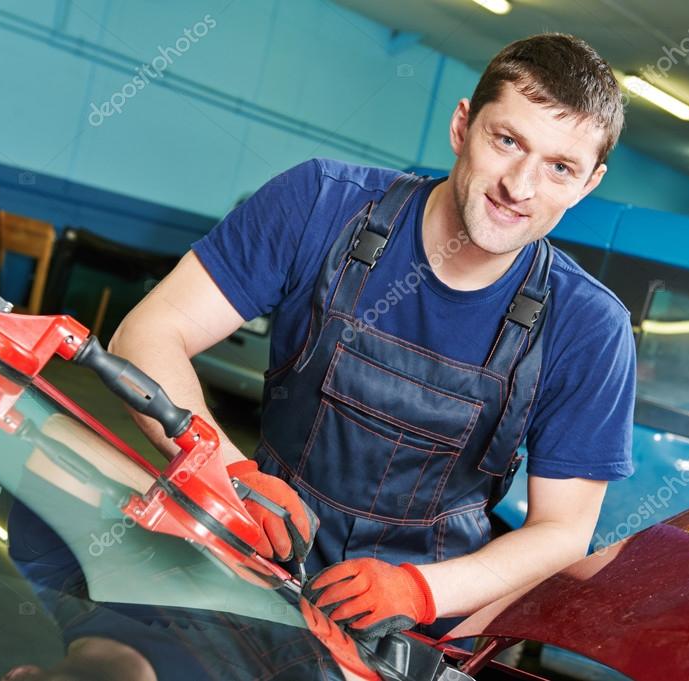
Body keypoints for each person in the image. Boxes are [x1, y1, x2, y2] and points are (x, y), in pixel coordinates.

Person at [110, 33, 636, 639]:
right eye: (507, 140)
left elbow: (563, 530)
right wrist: (227, 475)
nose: (520, 187)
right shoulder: (319, 204)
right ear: (463, 127)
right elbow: (149, 331)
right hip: (249, 561)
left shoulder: (588, 326)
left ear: (588, 183)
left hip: (416, 627)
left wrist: (419, 590)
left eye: (559, 168)